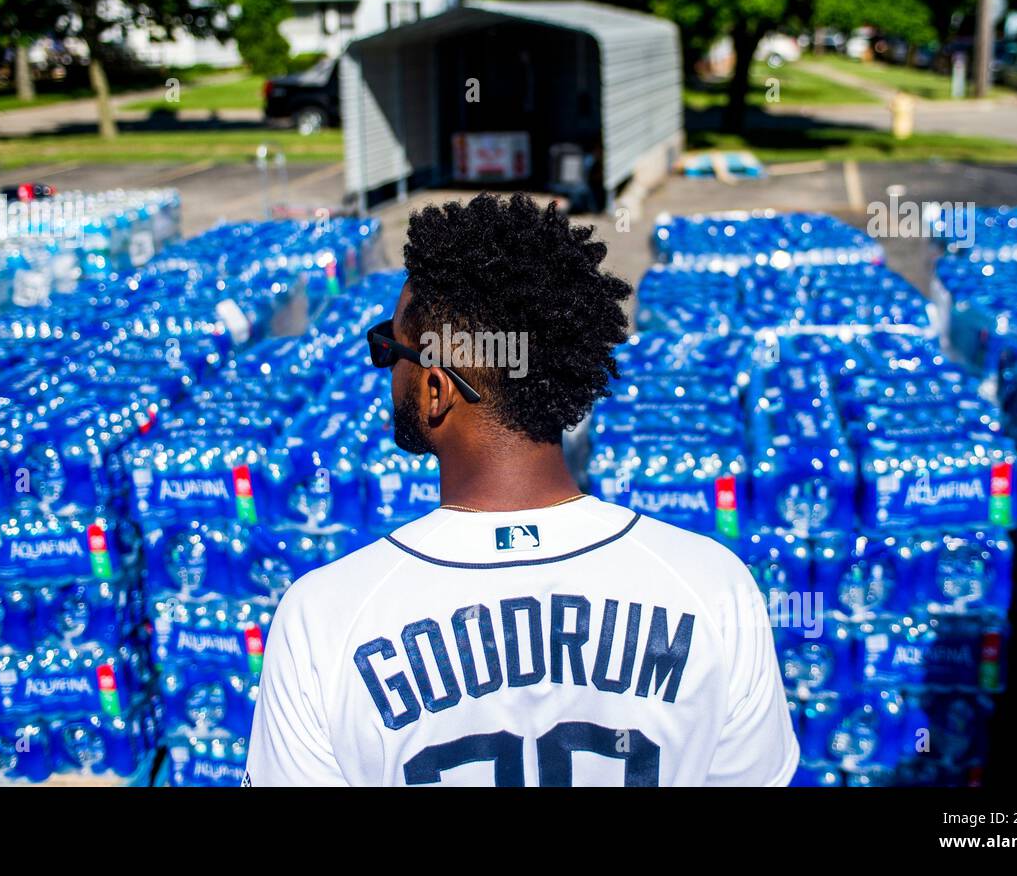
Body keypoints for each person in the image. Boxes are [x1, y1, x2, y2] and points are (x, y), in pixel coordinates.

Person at [244, 193, 798, 787]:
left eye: (391, 347)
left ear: (436, 390)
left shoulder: (323, 617)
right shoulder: (713, 587)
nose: (386, 369)